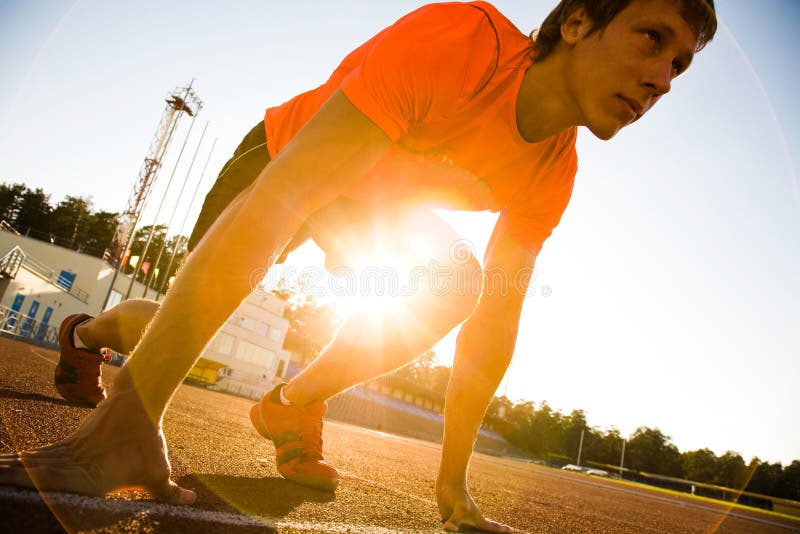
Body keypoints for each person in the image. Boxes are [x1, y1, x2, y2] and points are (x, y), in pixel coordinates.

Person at [0, 0, 716, 531]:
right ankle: (88, 335)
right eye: (652, 39)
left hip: (371, 206)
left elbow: (495, 322)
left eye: (679, 66)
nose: (662, 78)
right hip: (287, 155)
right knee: (175, 328)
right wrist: (135, 415)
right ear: (579, 22)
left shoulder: (553, 171)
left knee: (463, 285)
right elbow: (284, 196)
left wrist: (456, 486)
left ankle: (293, 399)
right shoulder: (464, 45)